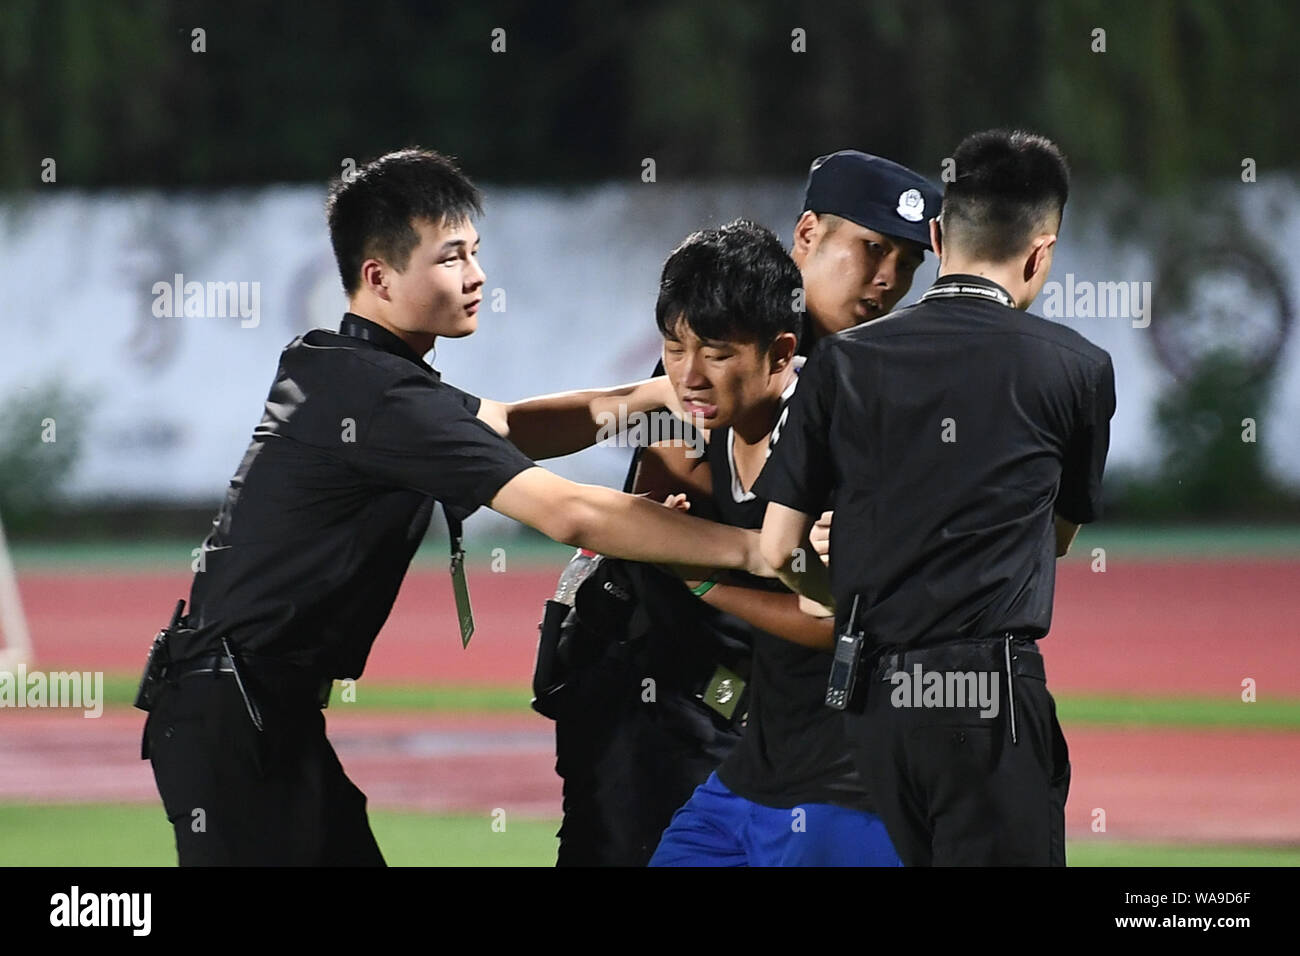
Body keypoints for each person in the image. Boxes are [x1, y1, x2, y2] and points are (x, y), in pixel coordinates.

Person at [136, 148, 772, 866]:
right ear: (378, 277)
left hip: (247, 710)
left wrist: (653, 395)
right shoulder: (379, 396)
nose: (476, 277)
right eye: (451, 258)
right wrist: (753, 548)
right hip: (233, 716)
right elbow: (566, 513)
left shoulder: (358, 372)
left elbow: (509, 425)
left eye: (475, 253)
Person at [540, 152, 941, 867]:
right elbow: (646, 485)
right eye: (872, 248)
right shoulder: (732, 361)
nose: (888, 278)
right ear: (809, 235)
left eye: (909, 261)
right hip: (668, 713)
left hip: (755, 735)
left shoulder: (856, 381)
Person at [756, 129, 1116, 866]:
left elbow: (776, 550)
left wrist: (844, 592)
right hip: (986, 699)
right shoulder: (1077, 368)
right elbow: (1055, 537)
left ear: (936, 233)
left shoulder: (845, 363)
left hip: (872, 702)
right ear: (1041, 252)